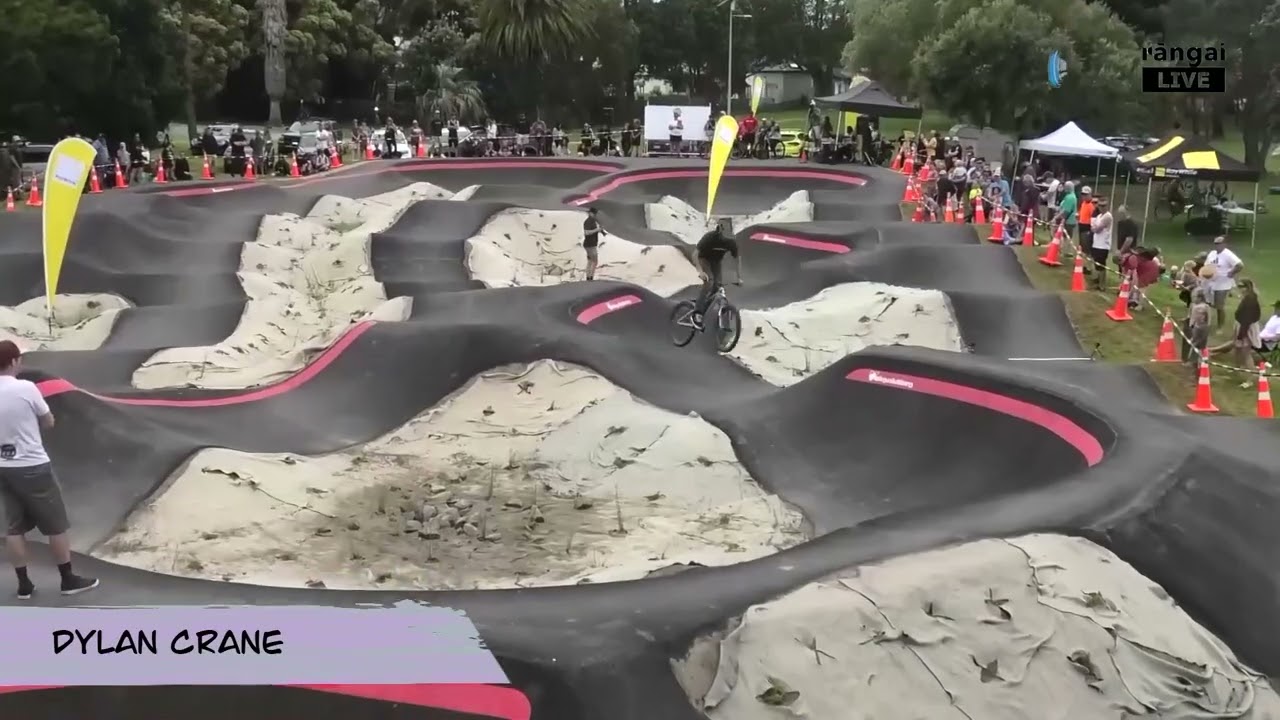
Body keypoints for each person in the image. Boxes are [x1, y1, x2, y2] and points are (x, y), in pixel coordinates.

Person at [0, 341, 99, 599]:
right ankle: (68, 579)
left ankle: (24, 585)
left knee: (14, 528)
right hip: (32, 464)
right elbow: (48, 420)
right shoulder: (25, 388)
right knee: (55, 525)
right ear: (13, 362)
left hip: (3, 465)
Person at [691, 221, 743, 329]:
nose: (726, 238)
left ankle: (705, 308)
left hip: (716, 261)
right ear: (719, 231)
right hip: (703, 259)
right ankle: (697, 313)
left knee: (717, 286)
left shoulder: (731, 242)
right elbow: (695, 254)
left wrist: (739, 277)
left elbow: (737, 259)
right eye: (724, 235)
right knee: (709, 281)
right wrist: (700, 271)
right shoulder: (709, 237)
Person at [1205, 236, 1244, 328]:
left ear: (1224, 244)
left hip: (1223, 283)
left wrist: (1232, 272)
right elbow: (1206, 265)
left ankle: (1220, 326)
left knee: (1219, 306)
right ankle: (1206, 323)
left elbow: (1240, 265)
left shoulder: (1228, 254)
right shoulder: (1212, 253)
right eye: (1215, 243)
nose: (1217, 245)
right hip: (1211, 281)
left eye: (1219, 243)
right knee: (1208, 303)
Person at [1088, 196, 1113, 290]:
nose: (1102, 207)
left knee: (1101, 265)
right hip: (1096, 243)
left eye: (1104, 206)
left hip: (1103, 245)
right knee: (1097, 264)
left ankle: (1102, 285)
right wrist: (1095, 227)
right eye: (1100, 206)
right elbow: (1093, 227)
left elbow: (1097, 229)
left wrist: (1095, 227)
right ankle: (1098, 282)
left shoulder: (1108, 216)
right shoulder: (1099, 216)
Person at [582, 207, 604, 281]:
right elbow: (586, 232)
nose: (595, 215)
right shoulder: (588, 221)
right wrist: (597, 230)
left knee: (590, 261)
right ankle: (590, 278)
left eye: (595, 213)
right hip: (590, 244)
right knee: (595, 261)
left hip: (591, 244)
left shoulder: (593, 221)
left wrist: (600, 231)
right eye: (594, 213)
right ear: (590, 213)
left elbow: (592, 230)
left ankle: (588, 278)